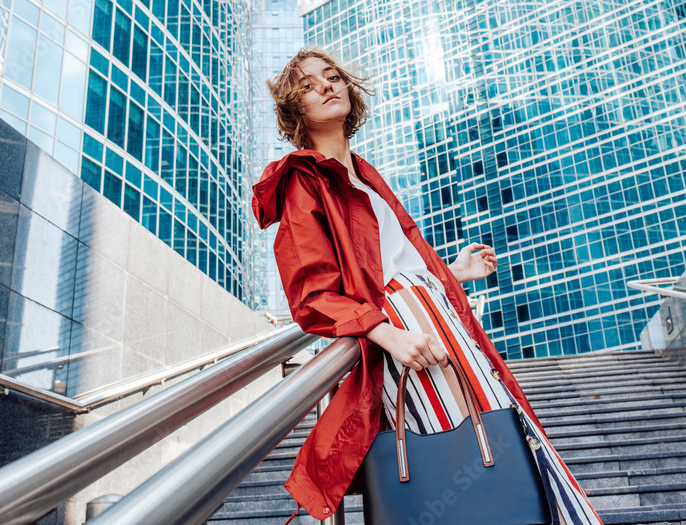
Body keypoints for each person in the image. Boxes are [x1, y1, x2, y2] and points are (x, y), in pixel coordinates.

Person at [251, 48, 601, 524]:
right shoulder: (303, 180)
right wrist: (385, 332)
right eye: (309, 85)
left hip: (438, 319)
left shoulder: (365, 174)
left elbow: (384, 260)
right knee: (458, 459)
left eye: (333, 77)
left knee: (501, 439)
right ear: (296, 109)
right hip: (404, 333)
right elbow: (311, 293)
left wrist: (450, 273)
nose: (327, 86)